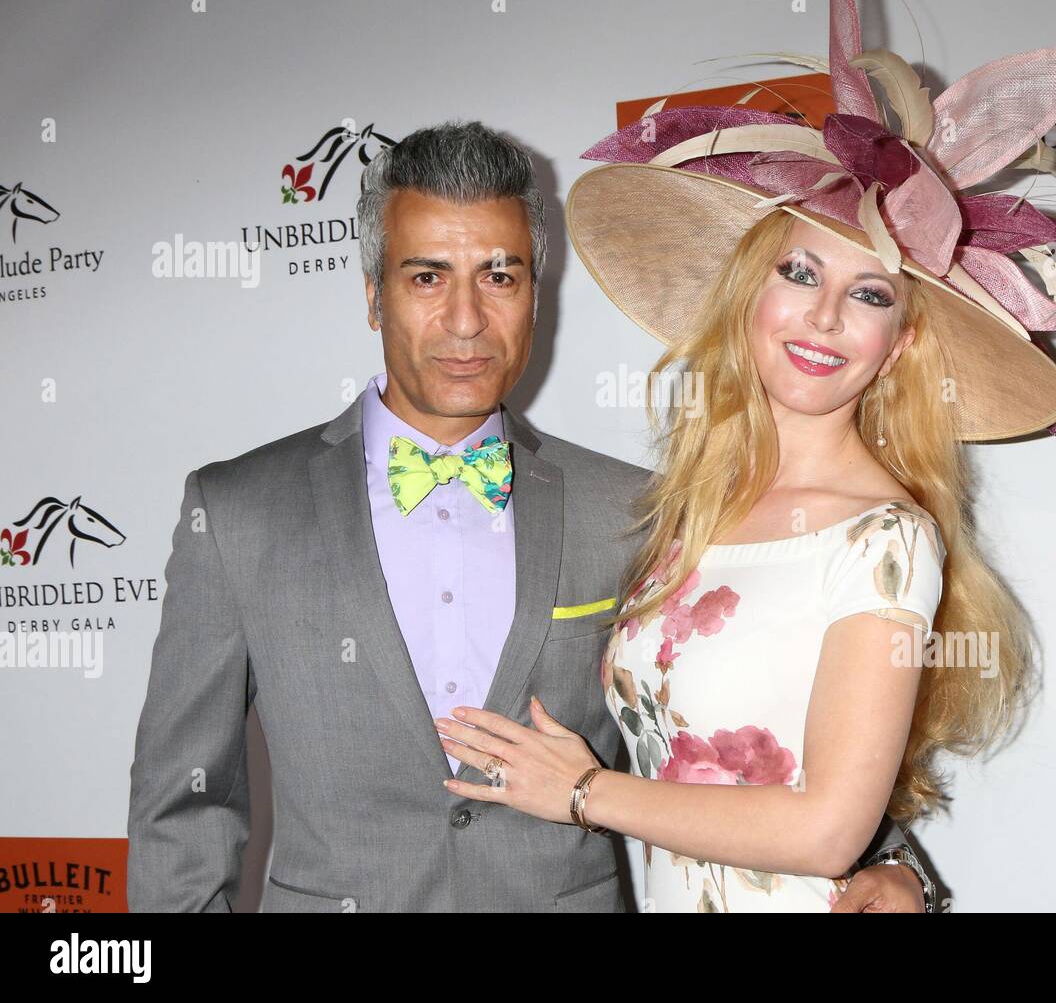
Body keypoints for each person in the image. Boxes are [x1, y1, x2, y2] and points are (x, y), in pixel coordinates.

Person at [429, 0, 1056, 912]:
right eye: (799, 270)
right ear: (749, 292)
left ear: (900, 343)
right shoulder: (681, 514)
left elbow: (828, 824)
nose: (826, 316)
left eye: (871, 293)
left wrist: (581, 790)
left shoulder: (884, 539)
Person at [125, 117, 931, 913]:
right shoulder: (237, 512)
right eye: (427, 277)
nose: (467, 320)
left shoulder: (633, 507)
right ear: (374, 297)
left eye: (500, 277)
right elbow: (180, 806)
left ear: (536, 298)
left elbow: (730, 713)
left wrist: (888, 856)